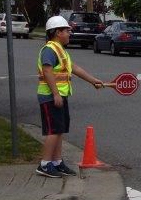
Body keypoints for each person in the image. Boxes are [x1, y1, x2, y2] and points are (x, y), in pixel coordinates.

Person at [36, 15, 105, 178]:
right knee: (53, 131)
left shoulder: (61, 50)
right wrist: (55, 94)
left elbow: (73, 68)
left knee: (59, 130)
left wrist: (92, 80)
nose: (69, 33)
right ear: (57, 32)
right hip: (50, 97)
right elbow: (47, 71)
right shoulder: (49, 50)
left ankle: (57, 162)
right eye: (66, 31)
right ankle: (45, 164)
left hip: (59, 96)